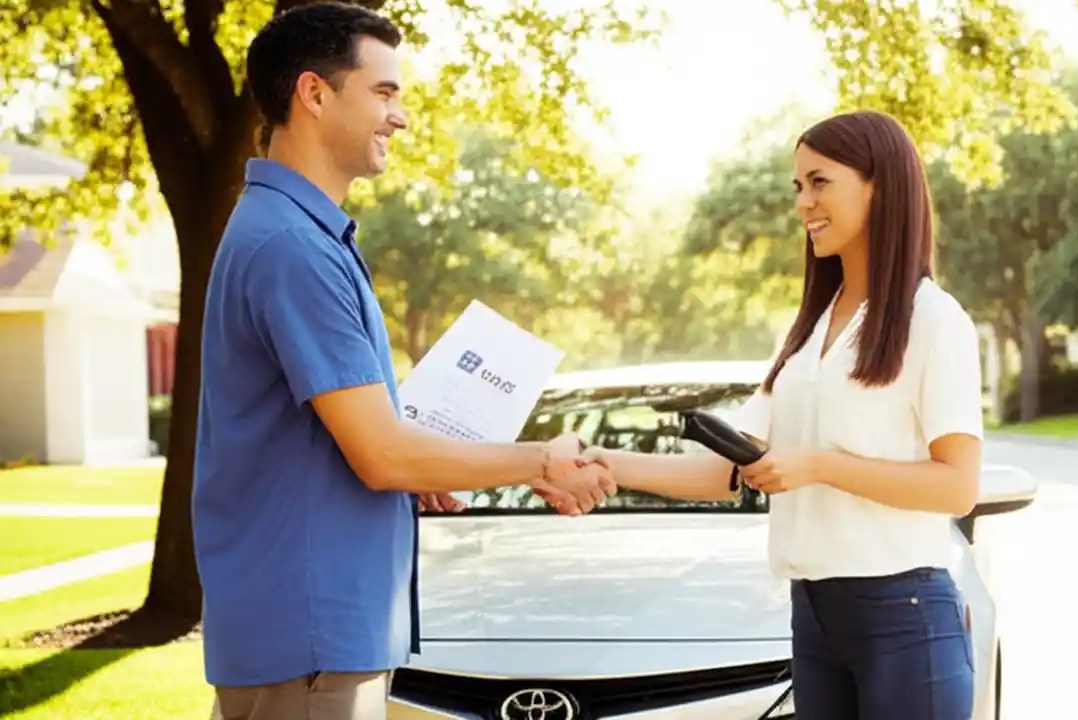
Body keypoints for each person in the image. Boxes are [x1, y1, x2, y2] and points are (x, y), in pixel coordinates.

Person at [192, 4, 613, 720]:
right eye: (384, 93)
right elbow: (382, 455)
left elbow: (357, 444)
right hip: (309, 636)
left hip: (313, 630)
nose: (402, 117)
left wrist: (428, 467)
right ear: (314, 94)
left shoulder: (298, 234)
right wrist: (541, 460)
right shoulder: (292, 247)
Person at [580, 110, 984, 719]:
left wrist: (821, 465)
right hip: (814, 620)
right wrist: (604, 462)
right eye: (798, 187)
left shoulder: (934, 320)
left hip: (905, 621)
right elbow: (728, 471)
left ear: (881, 186)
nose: (803, 203)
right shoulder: (808, 333)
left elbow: (957, 485)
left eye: (820, 182)